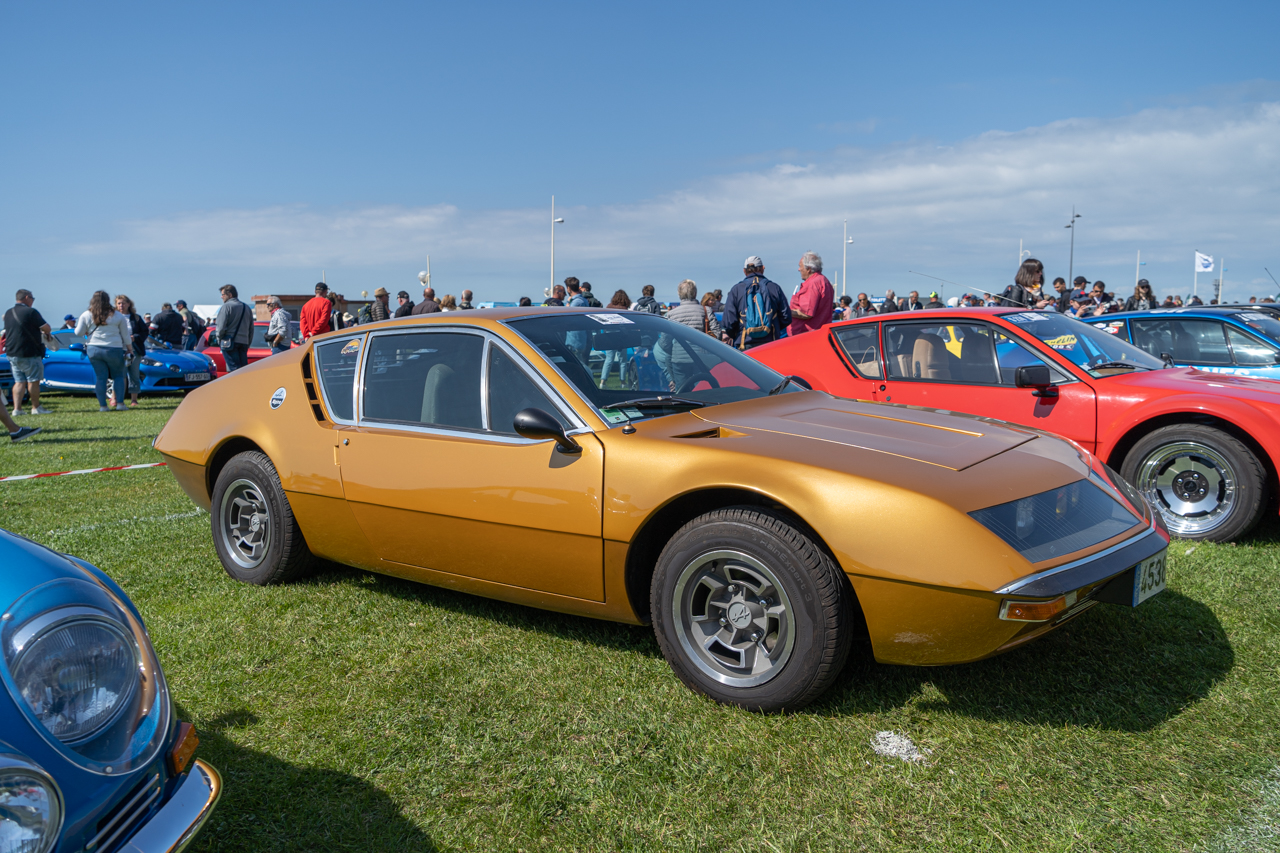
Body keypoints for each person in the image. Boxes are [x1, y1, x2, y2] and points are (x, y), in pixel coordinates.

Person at [75, 290, 132, 411]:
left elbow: (78, 332)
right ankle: (120, 404)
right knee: (118, 376)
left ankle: (103, 406)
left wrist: (86, 330)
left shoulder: (86, 314)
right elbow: (125, 335)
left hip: (94, 348)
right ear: (108, 300)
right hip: (114, 348)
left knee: (101, 378)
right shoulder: (117, 315)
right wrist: (130, 349)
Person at [660, 280, 722, 390]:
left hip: (678, 359)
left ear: (679, 294)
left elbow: (664, 342)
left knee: (682, 391)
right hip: (701, 358)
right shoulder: (705, 311)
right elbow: (717, 334)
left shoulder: (671, 314)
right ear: (695, 293)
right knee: (703, 390)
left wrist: (675, 351)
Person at [722, 256, 790, 349]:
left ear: (744, 271)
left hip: (744, 343)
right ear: (762, 268)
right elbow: (786, 317)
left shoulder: (736, 290)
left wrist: (737, 334)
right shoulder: (774, 288)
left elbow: (729, 322)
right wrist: (772, 327)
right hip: (771, 343)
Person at [3, 289, 51, 416]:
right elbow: (46, 328)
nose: (33, 301)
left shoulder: (8, 312)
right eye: (32, 298)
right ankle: (36, 407)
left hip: (12, 352)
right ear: (26, 297)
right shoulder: (31, 312)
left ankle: (17, 409)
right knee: (33, 380)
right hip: (29, 352)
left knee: (19, 381)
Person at [788, 252, 834, 336]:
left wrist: (785, 312)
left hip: (807, 335)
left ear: (808, 269)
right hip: (819, 333)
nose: (799, 269)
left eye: (800, 266)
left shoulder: (813, 283)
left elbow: (806, 313)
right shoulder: (824, 281)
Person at [113, 294, 146, 408]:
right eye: (119, 303)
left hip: (134, 349)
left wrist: (134, 337)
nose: (121, 305)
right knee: (119, 375)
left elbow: (144, 332)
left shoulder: (135, 318)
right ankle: (115, 398)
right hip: (118, 349)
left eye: (123, 303)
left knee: (134, 374)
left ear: (128, 304)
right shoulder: (113, 317)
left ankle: (134, 399)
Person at [215, 284, 254, 371]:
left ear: (230, 295)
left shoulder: (226, 306)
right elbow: (251, 329)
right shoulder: (246, 307)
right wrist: (248, 342)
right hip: (244, 342)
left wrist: (220, 340)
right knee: (243, 370)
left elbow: (220, 327)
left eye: (223, 295)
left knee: (233, 370)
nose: (221, 297)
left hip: (229, 342)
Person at [600, 289, 633, 386]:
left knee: (609, 359)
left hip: (609, 335)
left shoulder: (609, 307)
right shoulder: (624, 309)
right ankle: (623, 382)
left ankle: (603, 381)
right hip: (621, 336)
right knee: (622, 360)